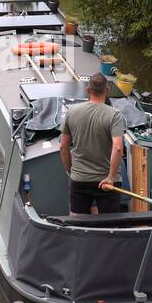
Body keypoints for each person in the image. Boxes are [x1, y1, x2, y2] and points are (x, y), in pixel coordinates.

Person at [60, 73, 125, 215]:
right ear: (107, 90)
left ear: (88, 90)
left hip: (80, 179)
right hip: (106, 182)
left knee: (77, 220)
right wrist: (111, 177)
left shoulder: (72, 112)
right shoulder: (115, 115)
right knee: (110, 225)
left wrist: (70, 171)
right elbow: (118, 147)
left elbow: (63, 146)